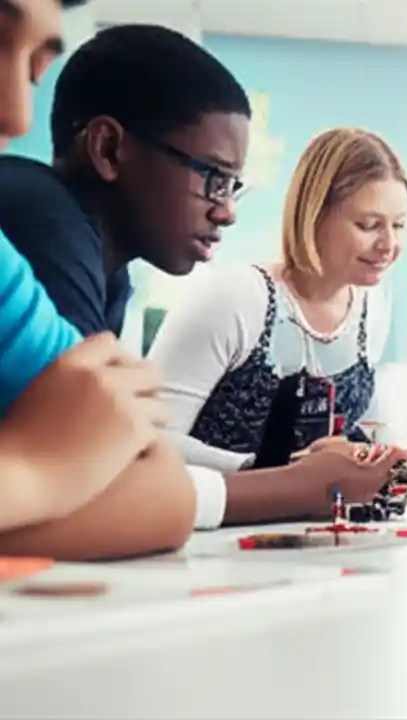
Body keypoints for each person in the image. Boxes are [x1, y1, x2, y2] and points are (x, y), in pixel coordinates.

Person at [0, 24, 400, 530]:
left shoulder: (109, 276)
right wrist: (303, 484)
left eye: (234, 185)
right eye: (213, 177)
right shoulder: (41, 217)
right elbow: (100, 481)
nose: (227, 211)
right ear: (108, 149)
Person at [0, 0, 196, 559]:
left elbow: (162, 486)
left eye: (33, 70)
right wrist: (34, 474)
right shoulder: (44, 209)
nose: (17, 115)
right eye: (213, 178)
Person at [149, 127, 407, 473]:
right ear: (313, 214)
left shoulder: (372, 305)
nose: (388, 245)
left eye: (400, 225)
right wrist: (274, 471)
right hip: (207, 518)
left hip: (309, 523)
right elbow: (149, 439)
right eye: (368, 225)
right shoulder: (234, 296)